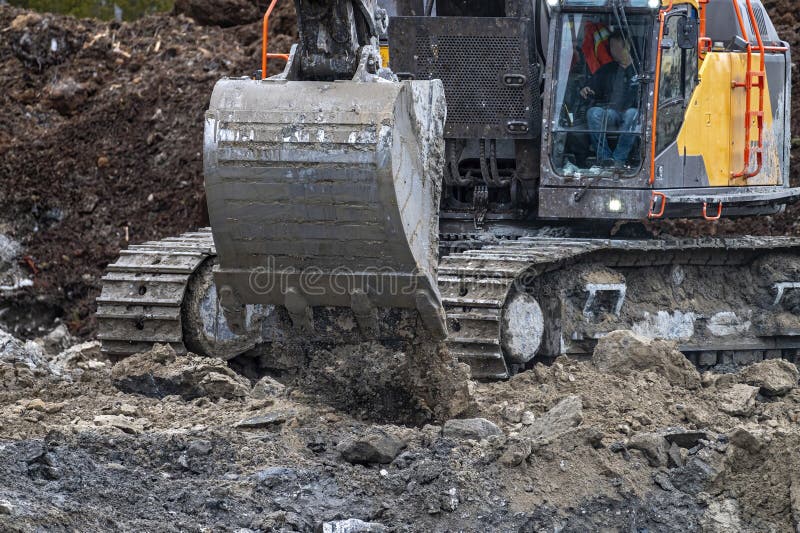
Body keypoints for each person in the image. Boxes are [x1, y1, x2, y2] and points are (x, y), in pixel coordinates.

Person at [580, 30, 639, 166]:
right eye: (610, 46)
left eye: (614, 46)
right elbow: (591, 86)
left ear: (627, 45)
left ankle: (618, 160)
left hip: (634, 114)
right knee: (593, 113)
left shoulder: (640, 70)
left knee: (632, 113)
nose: (612, 50)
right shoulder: (607, 69)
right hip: (611, 113)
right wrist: (586, 89)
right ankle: (604, 159)